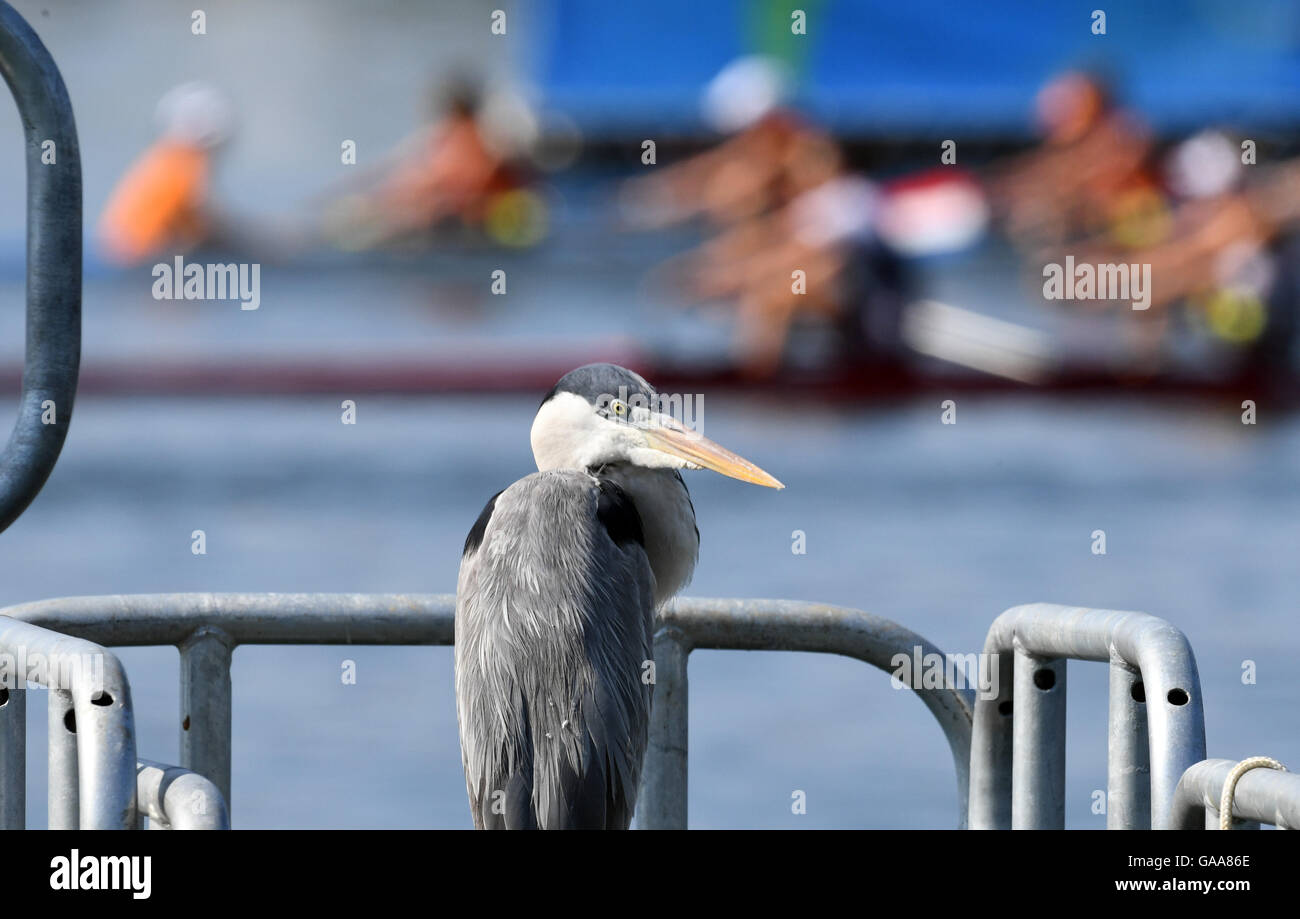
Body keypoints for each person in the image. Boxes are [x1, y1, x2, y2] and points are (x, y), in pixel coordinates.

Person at [98, 83, 235, 266]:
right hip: (136, 260)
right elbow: (207, 224)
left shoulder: (163, 156)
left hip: (115, 250)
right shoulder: (188, 165)